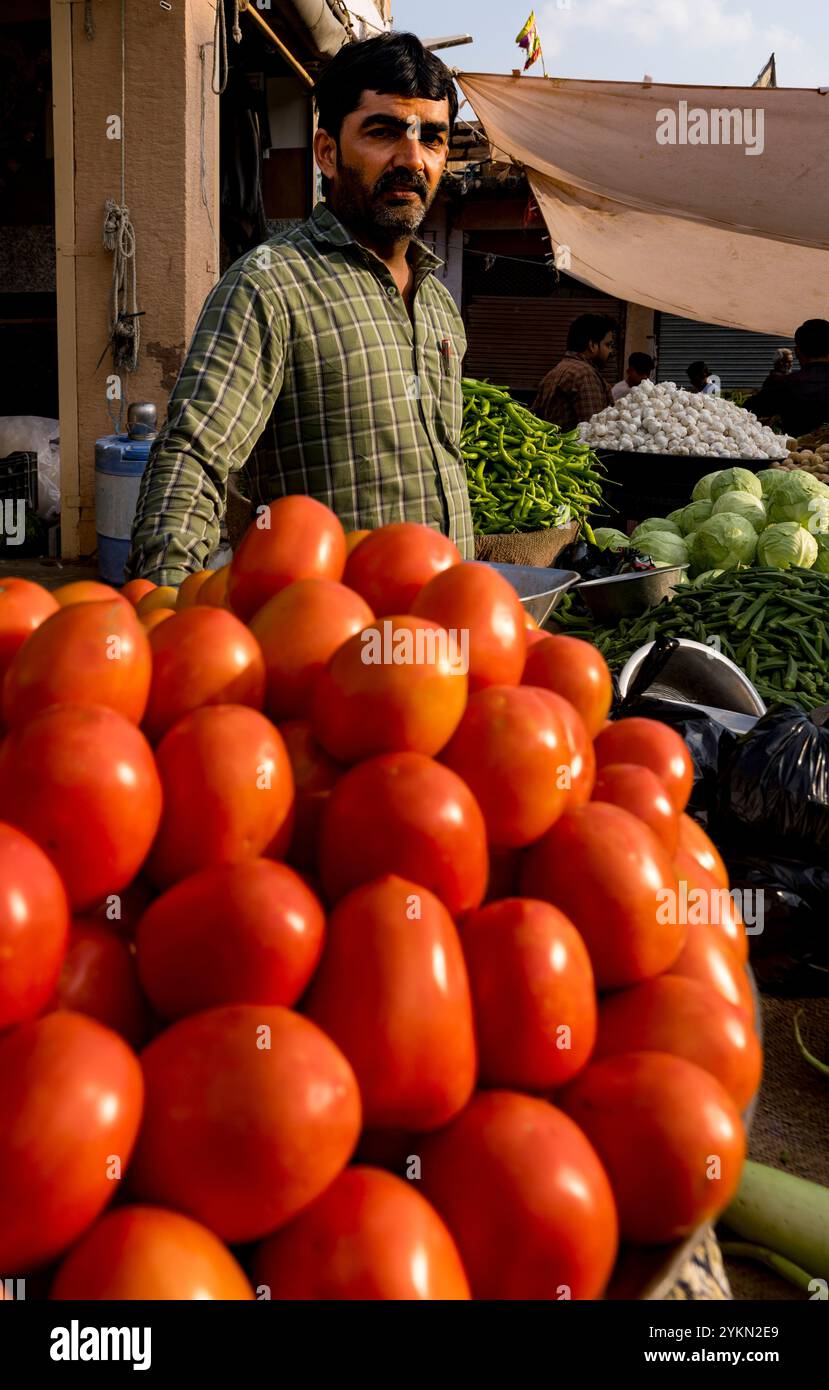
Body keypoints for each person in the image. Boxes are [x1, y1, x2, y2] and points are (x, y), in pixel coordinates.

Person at [125, 33, 473, 585]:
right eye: (383, 132)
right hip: (322, 642)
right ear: (327, 152)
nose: (412, 159)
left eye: (431, 138)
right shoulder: (271, 286)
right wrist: (165, 603)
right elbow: (194, 456)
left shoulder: (437, 301)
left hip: (448, 628)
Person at [532, 314, 617, 431]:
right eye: (608, 345)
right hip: (572, 447)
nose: (611, 351)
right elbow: (595, 432)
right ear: (592, 345)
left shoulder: (555, 372)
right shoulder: (584, 374)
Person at [746, 320, 829, 437]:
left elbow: (747, 410)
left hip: (797, 453)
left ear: (797, 352)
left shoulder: (784, 385)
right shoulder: (781, 382)